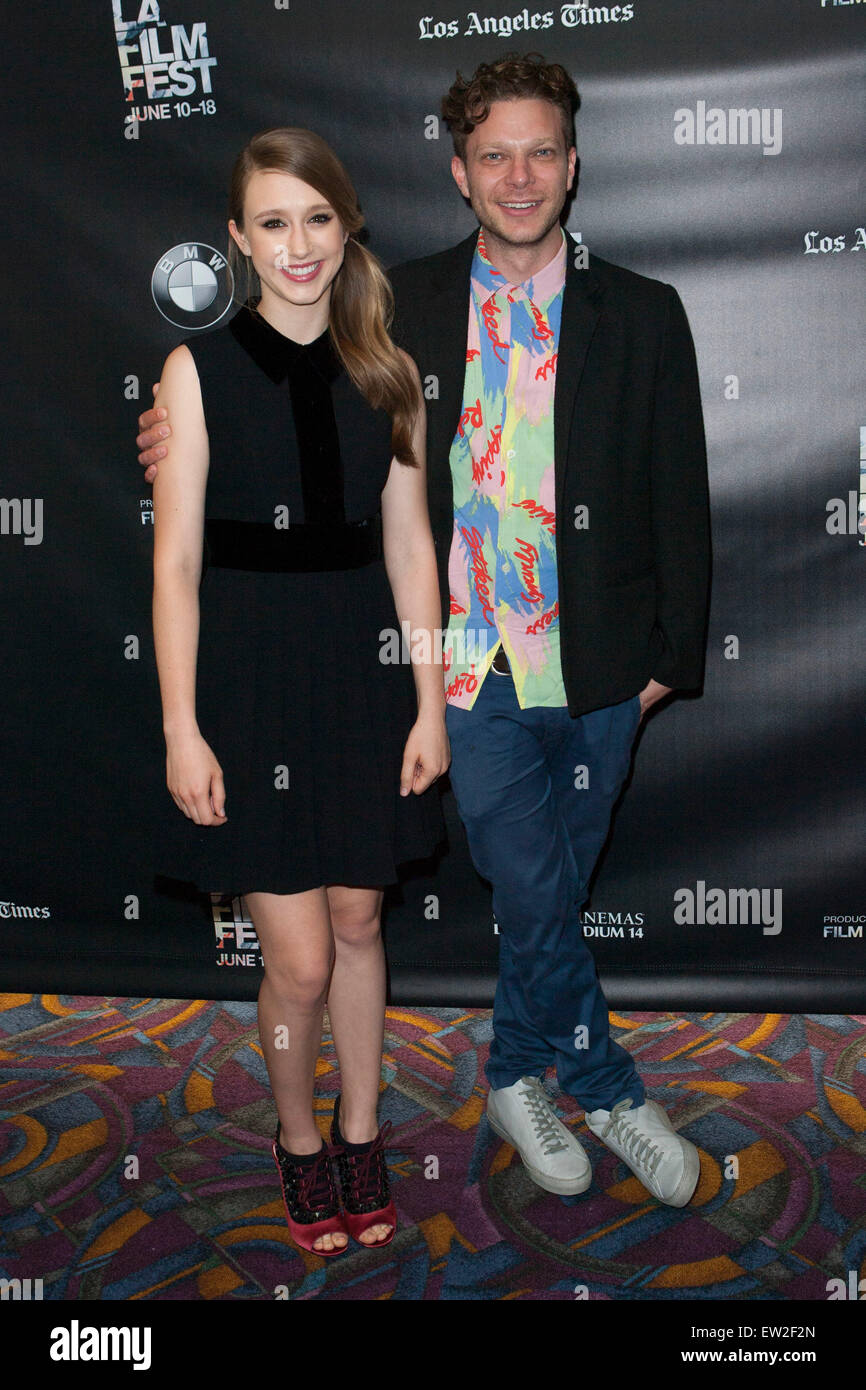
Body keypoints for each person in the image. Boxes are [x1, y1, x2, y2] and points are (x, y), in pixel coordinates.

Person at [140, 54, 711, 1210]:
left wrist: (665, 661)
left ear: (572, 165)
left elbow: (679, 495)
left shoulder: (640, 312)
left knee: (543, 889)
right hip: (461, 664)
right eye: (491, 153)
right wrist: (167, 434)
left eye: (540, 150)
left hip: (600, 666)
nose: (517, 174)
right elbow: (270, 404)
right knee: (520, 874)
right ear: (456, 172)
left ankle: (510, 1072)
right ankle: (603, 1083)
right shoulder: (401, 303)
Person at [150, 126, 448, 1256]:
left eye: (316, 217)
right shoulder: (194, 371)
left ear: (345, 224)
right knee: (302, 958)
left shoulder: (390, 370)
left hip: (364, 672)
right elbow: (174, 566)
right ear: (237, 239)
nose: (298, 245)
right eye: (272, 223)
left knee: (363, 922)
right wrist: (181, 726)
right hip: (250, 683)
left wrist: (427, 701)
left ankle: (363, 1129)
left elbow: (412, 548)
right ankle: (293, 1136)